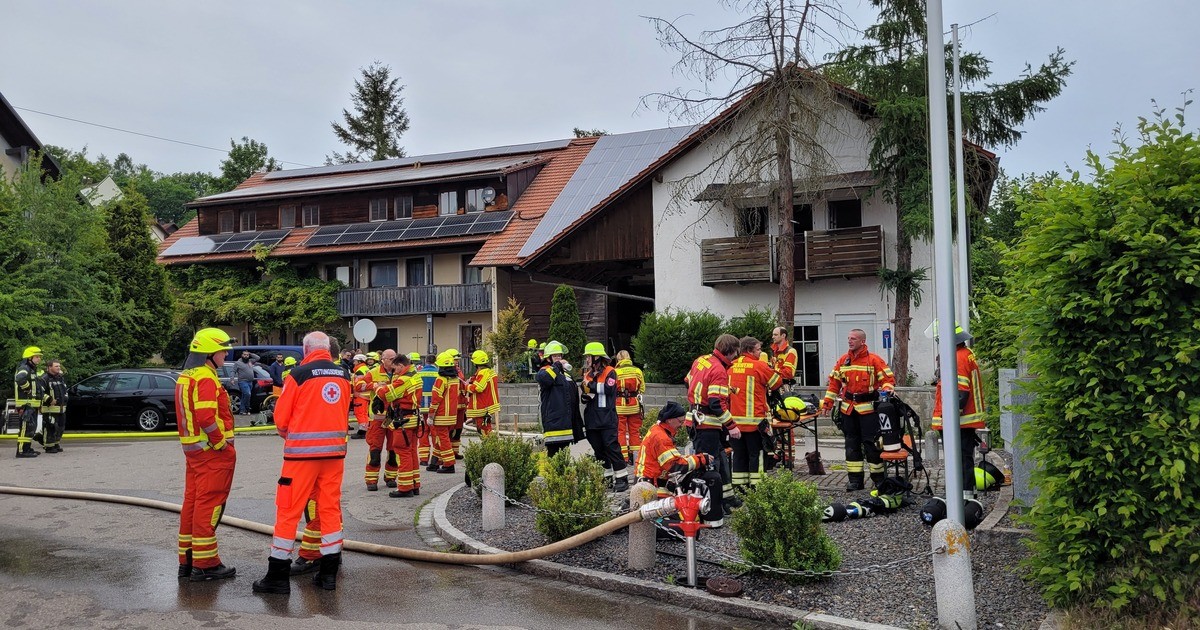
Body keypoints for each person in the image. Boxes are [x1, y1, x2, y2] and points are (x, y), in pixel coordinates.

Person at [252, 331, 352, 594]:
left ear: (306, 350)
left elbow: (282, 420)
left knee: (288, 512)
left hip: (301, 458)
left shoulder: (298, 375)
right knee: (329, 511)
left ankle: (277, 576)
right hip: (334, 456)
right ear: (328, 349)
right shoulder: (343, 375)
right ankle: (328, 575)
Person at [175, 328, 237, 581]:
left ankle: (187, 560)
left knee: (192, 502)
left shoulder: (186, 376)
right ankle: (206, 563)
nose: (225, 355)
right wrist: (221, 443)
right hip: (211, 453)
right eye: (222, 350)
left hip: (194, 451)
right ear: (209, 353)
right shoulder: (206, 378)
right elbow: (205, 417)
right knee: (209, 504)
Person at [821, 328, 896, 491]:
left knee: (873, 445)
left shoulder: (874, 360)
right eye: (848, 338)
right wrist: (827, 403)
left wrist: (888, 388)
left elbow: (888, 379)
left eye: (853, 338)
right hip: (848, 410)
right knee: (851, 445)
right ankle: (855, 480)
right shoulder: (843, 360)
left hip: (869, 411)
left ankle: (878, 480)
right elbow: (834, 384)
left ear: (862, 341)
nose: (849, 341)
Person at [635, 401, 722, 526]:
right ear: (670, 420)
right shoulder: (661, 437)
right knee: (685, 521)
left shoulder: (659, 430)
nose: (681, 425)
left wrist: (695, 458)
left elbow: (673, 459)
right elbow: (675, 465)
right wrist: (701, 459)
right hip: (652, 487)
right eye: (680, 422)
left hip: (651, 482)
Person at [683, 334, 741, 513]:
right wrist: (732, 426)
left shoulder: (701, 360)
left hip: (695, 419)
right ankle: (707, 506)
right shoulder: (719, 371)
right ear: (730, 351)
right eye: (736, 352)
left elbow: (688, 381)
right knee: (708, 465)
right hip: (707, 425)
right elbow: (716, 403)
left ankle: (726, 499)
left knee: (721, 459)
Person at [931, 325, 986, 500]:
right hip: (965, 419)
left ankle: (962, 497)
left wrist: (949, 418)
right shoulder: (965, 354)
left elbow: (961, 392)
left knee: (959, 459)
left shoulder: (958, 357)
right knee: (963, 457)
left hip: (959, 420)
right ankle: (966, 494)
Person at [728, 336, 783, 491]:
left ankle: (740, 487)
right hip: (755, 423)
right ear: (750, 350)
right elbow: (776, 383)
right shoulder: (759, 366)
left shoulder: (730, 366)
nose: (760, 352)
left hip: (734, 424)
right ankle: (757, 488)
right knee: (757, 455)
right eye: (758, 349)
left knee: (739, 455)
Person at [580, 342, 628, 493]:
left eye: (589, 356)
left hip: (607, 418)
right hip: (592, 419)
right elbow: (585, 392)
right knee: (598, 450)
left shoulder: (610, 372)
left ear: (597, 357)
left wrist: (590, 384)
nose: (587, 359)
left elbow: (608, 388)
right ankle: (605, 478)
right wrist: (585, 395)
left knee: (611, 447)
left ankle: (621, 478)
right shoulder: (588, 374)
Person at [375, 355, 423, 498]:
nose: (394, 372)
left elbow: (387, 394)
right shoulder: (415, 376)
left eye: (395, 369)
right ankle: (414, 485)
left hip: (403, 421)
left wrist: (378, 388)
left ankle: (404, 487)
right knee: (411, 451)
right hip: (412, 419)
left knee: (402, 453)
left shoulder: (404, 379)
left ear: (401, 365)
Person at [360, 349, 399, 490]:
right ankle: (371, 480)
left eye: (395, 358)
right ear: (383, 359)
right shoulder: (374, 372)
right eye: (391, 358)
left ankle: (390, 477)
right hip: (377, 418)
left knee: (394, 449)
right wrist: (374, 385)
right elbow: (359, 385)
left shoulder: (399, 371)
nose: (394, 361)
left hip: (393, 417)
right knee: (375, 450)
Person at [535, 341, 576, 457]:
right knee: (553, 458)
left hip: (566, 425)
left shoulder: (564, 375)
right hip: (553, 425)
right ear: (548, 358)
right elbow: (544, 379)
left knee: (564, 458)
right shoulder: (545, 371)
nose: (558, 358)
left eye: (559, 355)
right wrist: (556, 367)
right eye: (555, 356)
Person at [428, 352, 463, 473]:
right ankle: (435, 462)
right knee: (441, 437)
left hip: (441, 414)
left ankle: (449, 464)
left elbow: (435, 399)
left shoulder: (441, 380)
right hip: (452, 415)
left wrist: (431, 414)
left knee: (443, 438)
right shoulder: (455, 379)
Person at [613, 350, 645, 467]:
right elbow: (642, 389)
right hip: (634, 406)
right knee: (635, 432)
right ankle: (636, 457)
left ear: (618, 359)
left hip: (620, 406)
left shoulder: (615, 372)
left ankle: (624, 458)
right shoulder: (637, 371)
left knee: (620, 432)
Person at [13, 346, 44, 458]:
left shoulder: (31, 369)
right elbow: (20, 378)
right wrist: (27, 389)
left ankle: (27, 448)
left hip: (32, 404)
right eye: (37, 357)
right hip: (26, 404)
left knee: (31, 427)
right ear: (29, 357)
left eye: (39, 357)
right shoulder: (24, 367)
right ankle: (21, 451)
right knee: (25, 428)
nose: (39, 359)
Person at [465, 350, 499, 437]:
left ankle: (489, 448)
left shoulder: (483, 373)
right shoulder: (489, 371)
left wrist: (466, 386)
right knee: (486, 428)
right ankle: (490, 447)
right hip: (488, 405)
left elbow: (478, 388)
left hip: (482, 406)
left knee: (483, 430)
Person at [38, 360, 68, 453]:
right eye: (56, 366)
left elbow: (64, 390)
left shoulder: (60, 378)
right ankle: (49, 446)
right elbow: (39, 392)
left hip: (61, 408)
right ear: (49, 367)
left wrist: (66, 398)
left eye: (59, 366)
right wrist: (49, 400)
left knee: (60, 427)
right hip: (49, 408)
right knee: (51, 426)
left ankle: (56, 443)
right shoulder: (44, 378)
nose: (58, 368)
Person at [415, 354, 439, 467]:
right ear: (435, 361)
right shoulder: (438, 374)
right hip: (434, 408)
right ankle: (437, 458)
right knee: (435, 433)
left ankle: (423, 459)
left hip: (421, 407)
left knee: (423, 432)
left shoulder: (418, 373)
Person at [232, 350, 260, 415]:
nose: (246, 356)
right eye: (244, 354)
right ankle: (247, 408)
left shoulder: (250, 361)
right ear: (242, 355)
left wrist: (251, 354)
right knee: (248, 394)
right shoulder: (238, 363)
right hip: (242, 381)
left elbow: (258, 358)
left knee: (244, 396)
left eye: (247, 355)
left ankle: (242, 410)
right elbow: (233, 371)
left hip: (250, 382)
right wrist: (232, 379)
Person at [349, 354, 370, 439]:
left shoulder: (360, 371)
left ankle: (362, 432)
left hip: (360, 396)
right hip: (366, 396)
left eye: (355, 361)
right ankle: (365, 430)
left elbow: (358, 385)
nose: (353, 362)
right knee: (364, 413)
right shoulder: (366, 369)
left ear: (359, 361)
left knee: (360, 413)